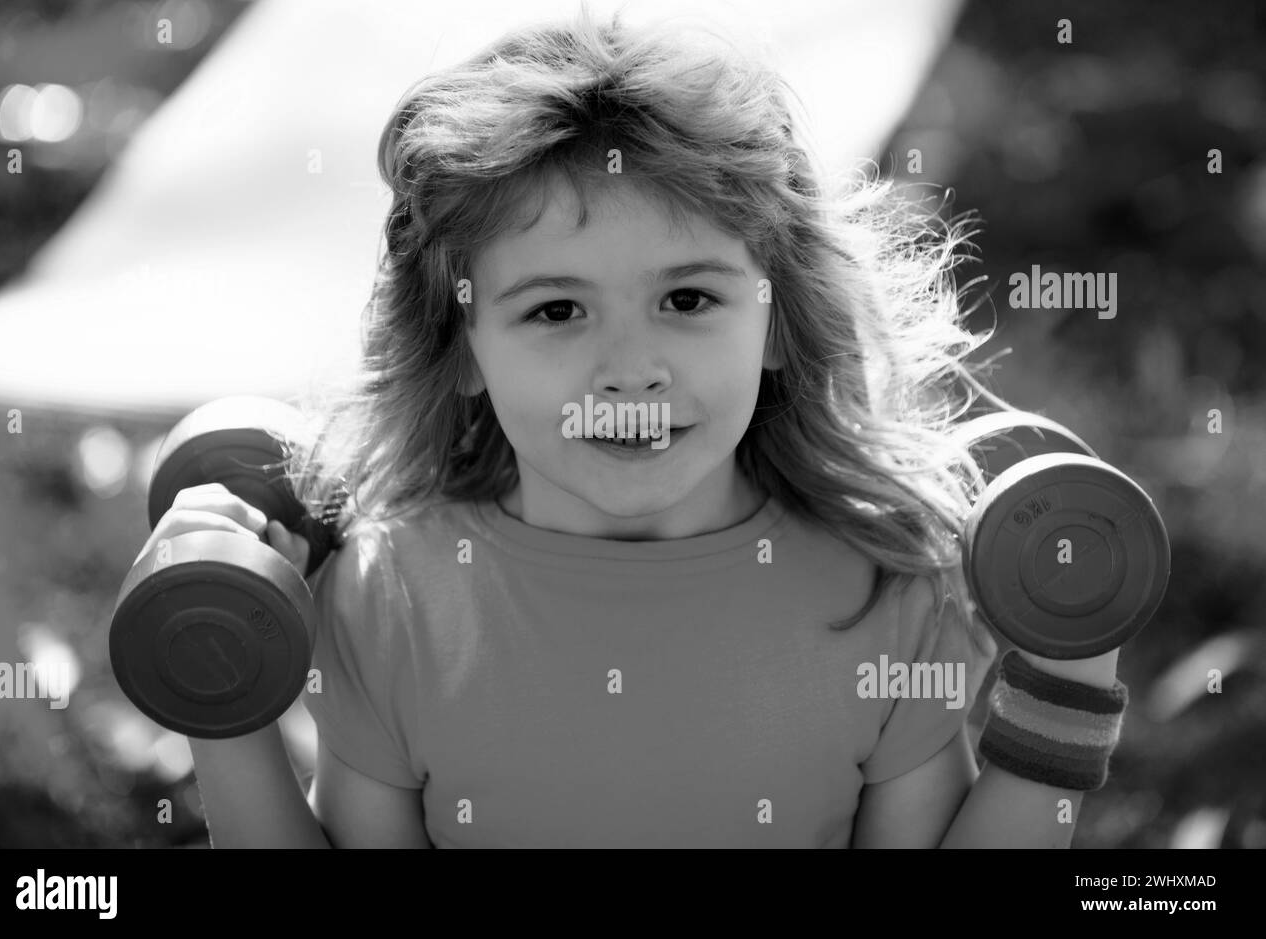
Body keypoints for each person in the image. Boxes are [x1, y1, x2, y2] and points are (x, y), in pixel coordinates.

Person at [168, 8, 1128, 848]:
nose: (630, 368)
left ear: (778, 322)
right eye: (556, 311)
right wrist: (221, 701)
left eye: (687, 297)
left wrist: (1069, 683)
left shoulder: (886, 596)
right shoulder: (393, 601)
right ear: (460, 345)